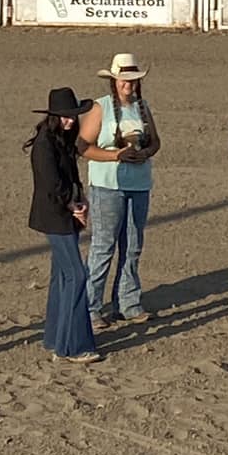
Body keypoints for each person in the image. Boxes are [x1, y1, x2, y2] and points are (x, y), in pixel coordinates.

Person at [81, 52, 161, 328]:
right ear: (114, 81)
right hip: (107, 185)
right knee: (103, 246)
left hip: (138, 184)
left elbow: (155, 143)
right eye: (124, 80)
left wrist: (143, 153)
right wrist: (116, 156)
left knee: (133, 245)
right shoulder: (99, 108)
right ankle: (90, 306)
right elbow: (84, 147)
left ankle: (127, 302)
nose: (128, 85)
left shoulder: (142, 107)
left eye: (133, 80)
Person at [28, 87, 100, 363]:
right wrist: (74, 205)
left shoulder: (61, 139)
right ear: (54, 116)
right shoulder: (45, 144)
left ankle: (56, 337)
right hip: (55, 215)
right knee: (76, 276)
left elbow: (70, 177)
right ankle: (71, 345)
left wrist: (79, 200)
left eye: (72, 116)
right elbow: (51, 184)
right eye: (64, 117)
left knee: (62, 276)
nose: (70, 121)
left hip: (64, 212)